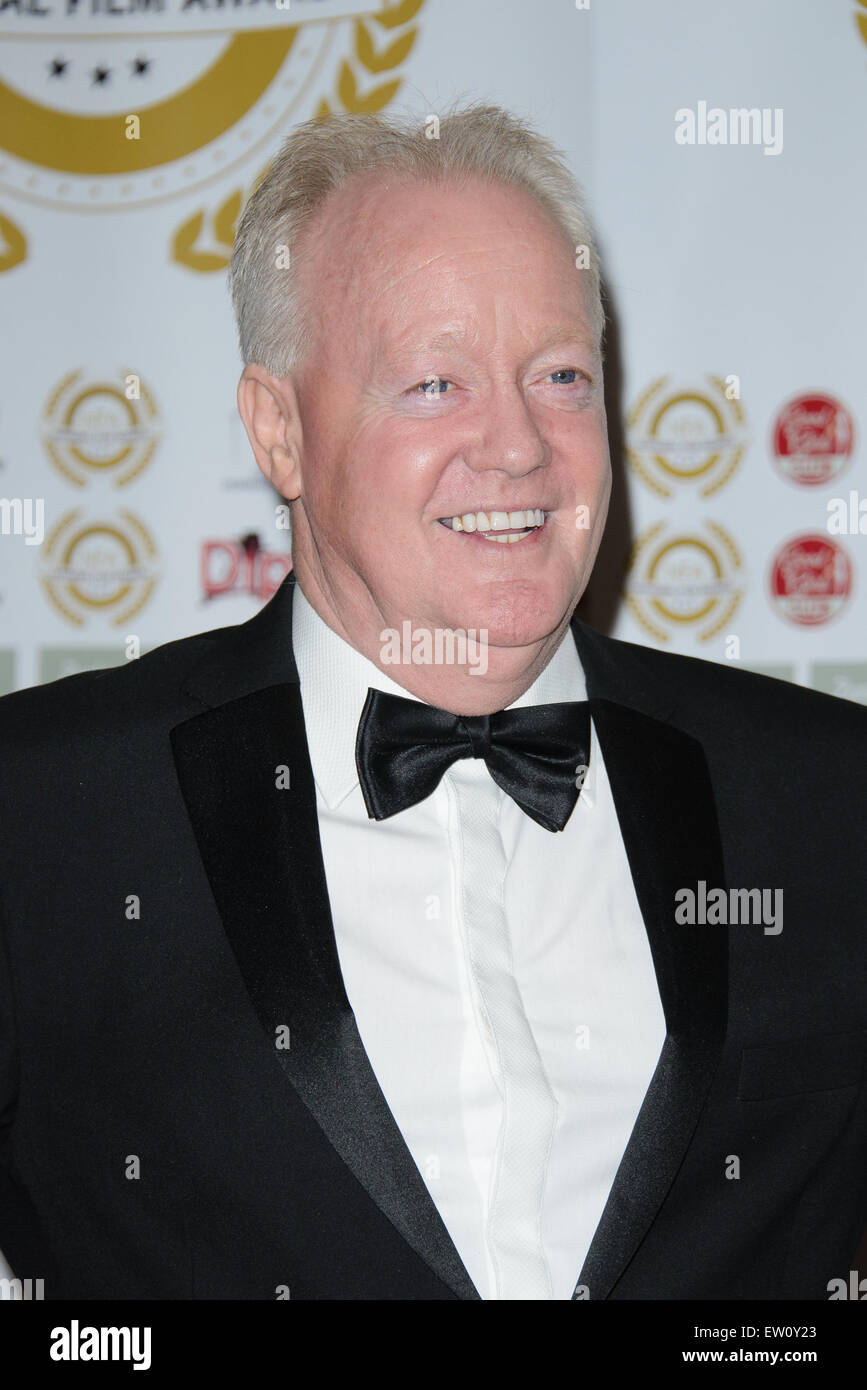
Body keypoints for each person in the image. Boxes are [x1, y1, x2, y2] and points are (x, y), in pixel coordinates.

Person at [1, 103, 865, 1302]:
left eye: (560, 375)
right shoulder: (43, 812)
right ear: (281, 431)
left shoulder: (831, 795)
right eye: (432, 383)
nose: (517, 445)